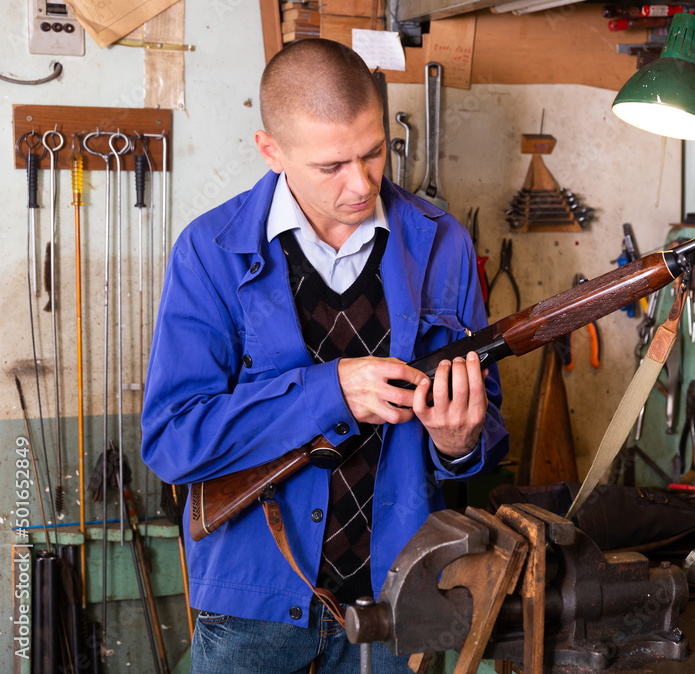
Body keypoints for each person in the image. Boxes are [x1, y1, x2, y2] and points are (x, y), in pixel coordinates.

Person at [141, 38, 508, 673]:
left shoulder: (443, 243)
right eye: (332, 165)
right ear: (272, 151)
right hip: (252, 607)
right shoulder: (209, 252)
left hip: (401, 596)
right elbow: (174, 442)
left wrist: (459, 443)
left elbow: (485, 429)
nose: (362, 184)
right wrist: (330, 391)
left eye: (373, 154)